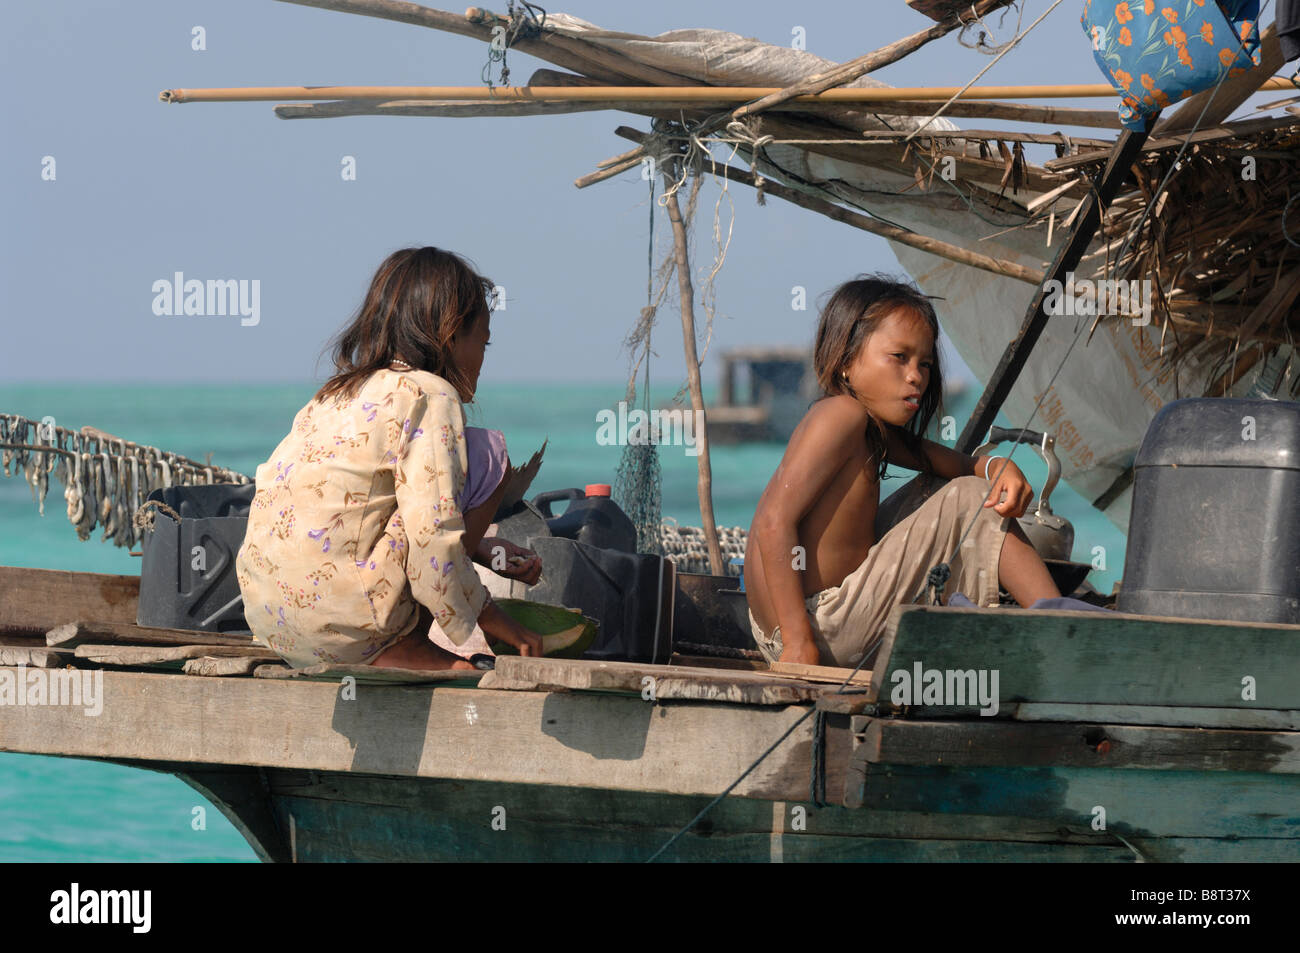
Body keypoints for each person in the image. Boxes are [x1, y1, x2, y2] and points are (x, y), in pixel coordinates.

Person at [235, 246, 545, 671]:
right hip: (351, 627)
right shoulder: (430, 394)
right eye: (483, 342)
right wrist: (498, 622)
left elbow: (347, 516)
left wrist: (481, 549)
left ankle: (401, 632)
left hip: (273, 622)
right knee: (488, 454)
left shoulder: (333, 394)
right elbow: (431, 535)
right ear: (452, 333)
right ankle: (401, 642)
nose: (482, 360)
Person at [743, 274, 1061, 669]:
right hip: (815, 628)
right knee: (969, 497)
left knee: (940, 488)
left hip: (799, 627)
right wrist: (798, 643)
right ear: (845, 360)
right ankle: (1061, 634)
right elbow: (774, 523)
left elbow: (961, 465)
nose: (917, 376)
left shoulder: (867, 428)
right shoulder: (842, 415)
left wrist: (999, 464)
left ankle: (1055, 621)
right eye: (899, 357)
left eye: (925, 364)